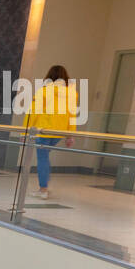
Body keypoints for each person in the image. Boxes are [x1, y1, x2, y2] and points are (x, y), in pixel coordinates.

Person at [22, 64, 79, 200]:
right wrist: (70, 135)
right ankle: (45, 185)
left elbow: (33, 112)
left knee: (42, 158)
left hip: (44, 130)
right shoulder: (72, 94)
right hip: (59, 133)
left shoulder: (44, 91)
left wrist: (24, 132)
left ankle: (43, 189)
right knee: (45, 157)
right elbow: (72, 115)